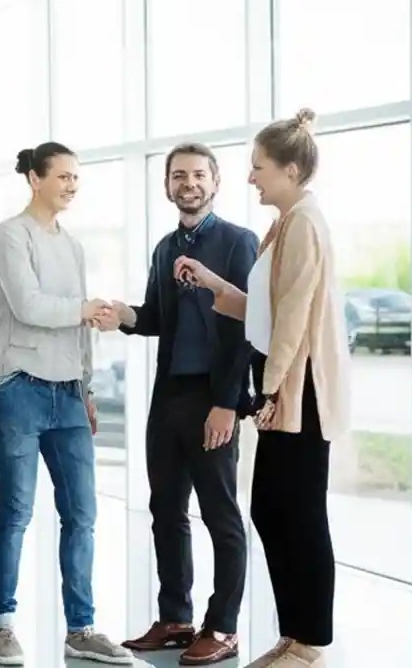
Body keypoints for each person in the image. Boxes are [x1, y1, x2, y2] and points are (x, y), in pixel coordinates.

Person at [174, 108, 348, 668]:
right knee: (275, 509)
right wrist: (213, 283)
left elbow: (294, 316)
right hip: (286, 385)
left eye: (259, 168)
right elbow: (269, 311)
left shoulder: (304, 223)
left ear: (291, 170)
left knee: (295, 511)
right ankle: (296, 635)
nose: (251, 178)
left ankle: (309, 642)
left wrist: (271, 391)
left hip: (301, 391)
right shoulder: (289, 221)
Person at [92, 143, 257, 665]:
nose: (188, 183)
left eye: (198, 175)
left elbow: (247, 328)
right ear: (167, 185)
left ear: (215, 182)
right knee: (166, 511)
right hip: (168, 399)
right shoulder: (165, 248)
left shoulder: (238, 242)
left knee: (221, 515)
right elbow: (157, 318)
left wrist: (228, 403)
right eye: (178, 175)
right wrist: (123, 313)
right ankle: (175, 619)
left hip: (214, 398)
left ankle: (223, 626)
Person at [0, 141, 131, 666]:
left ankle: (81, 629)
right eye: (63, 176)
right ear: (35, 179)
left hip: (67, 393)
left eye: (75, 178)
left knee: (82, 515)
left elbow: (81, 329)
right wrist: (85, 308)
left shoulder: (73, 246)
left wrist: (87, 387)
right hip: (17, 387)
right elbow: (29, 306)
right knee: (17, 511)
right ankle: (2, 626)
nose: (71, 185)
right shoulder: (9, 235)